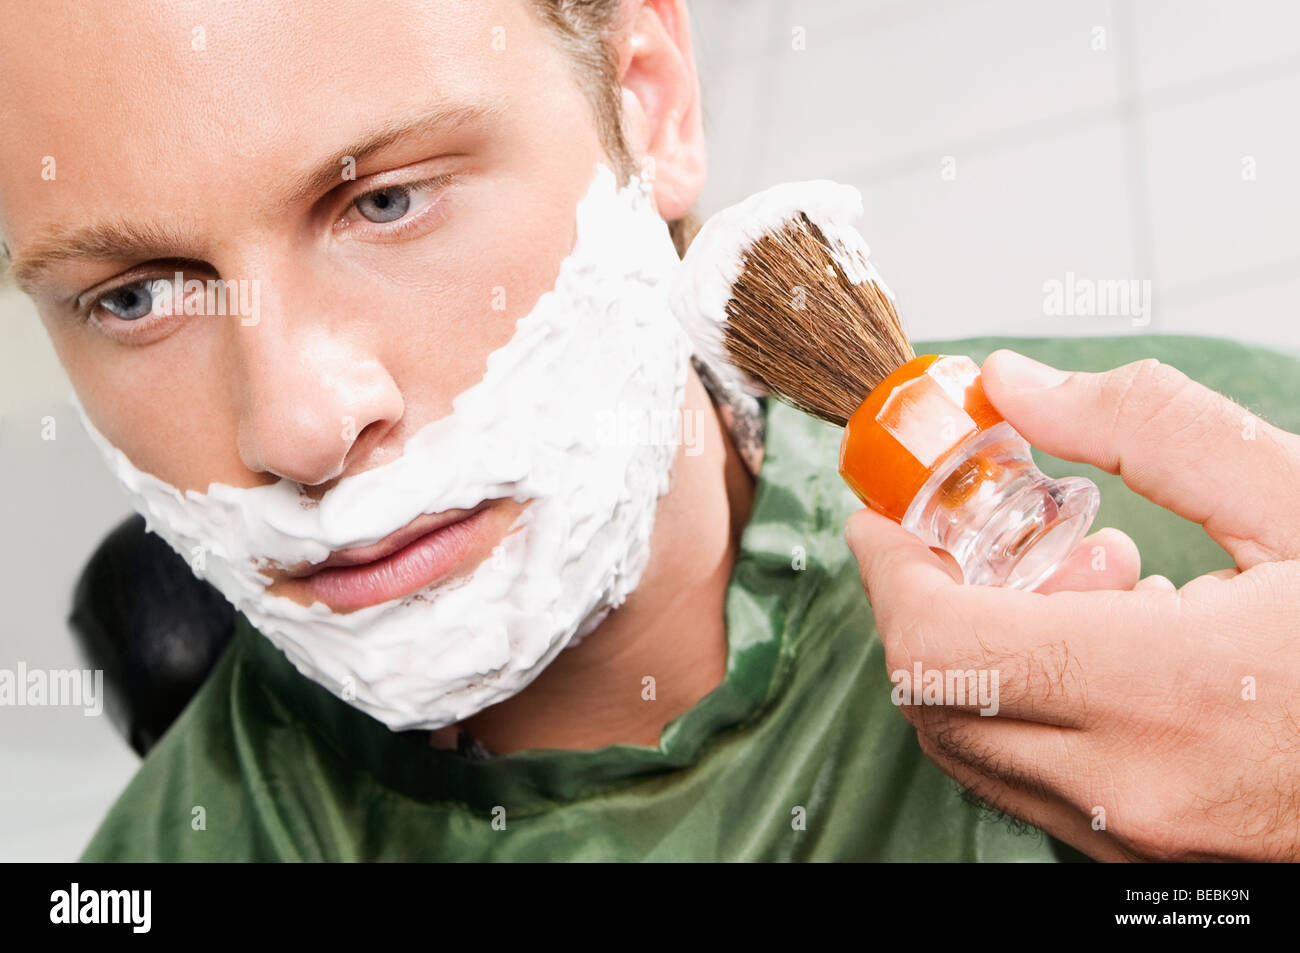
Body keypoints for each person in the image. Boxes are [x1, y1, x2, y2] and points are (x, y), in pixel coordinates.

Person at [1, 0, 1295, 861]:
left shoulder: (1247, 528)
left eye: (386, 201)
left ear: (650, 99)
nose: (294, 424)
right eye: (135, 294)